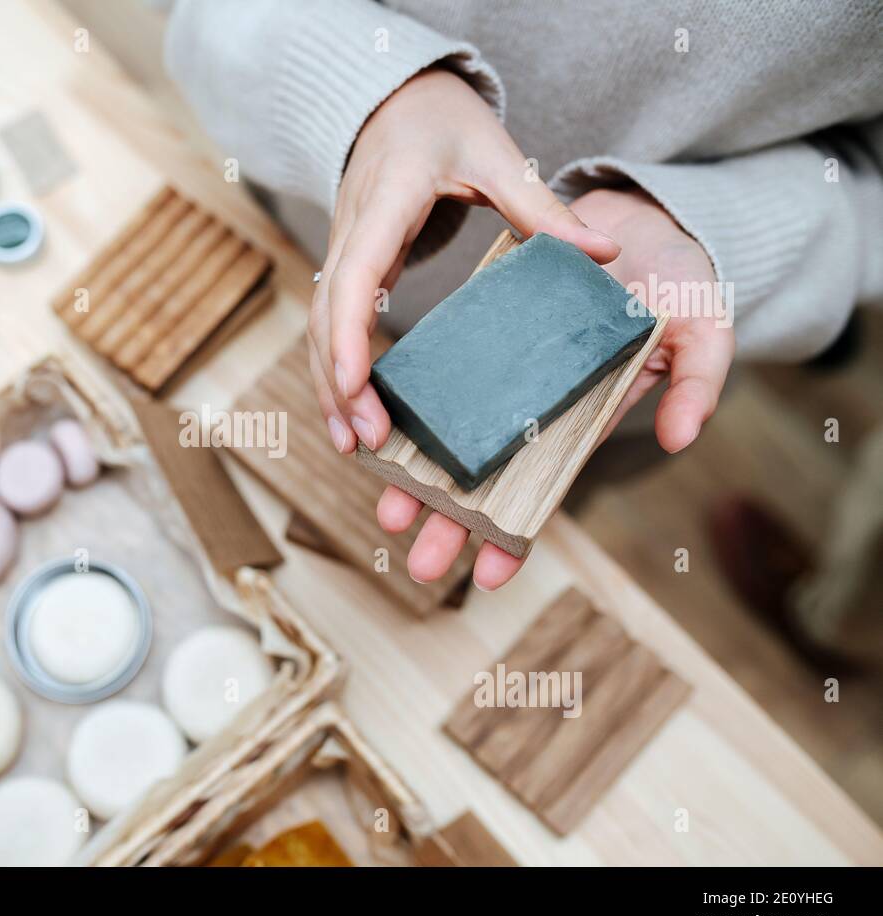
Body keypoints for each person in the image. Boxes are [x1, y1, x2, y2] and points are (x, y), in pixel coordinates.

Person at [166, 0, 883, 590]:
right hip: (292, 225)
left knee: (446, 566)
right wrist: (364, 90)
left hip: (617, 387)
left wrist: (721, 226)